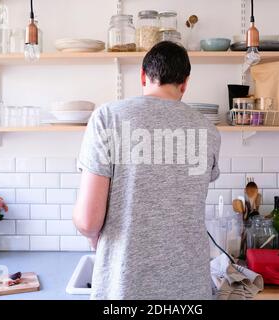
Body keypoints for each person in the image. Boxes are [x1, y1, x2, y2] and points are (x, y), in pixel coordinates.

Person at [73, 41, 221, 300]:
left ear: (143, 76)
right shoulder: (208, 131)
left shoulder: (108, 118)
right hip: (190, 289)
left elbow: (88, 220)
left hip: (126, 286)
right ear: (184, 83)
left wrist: (92, 235)